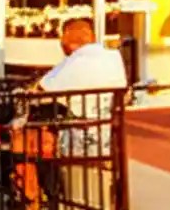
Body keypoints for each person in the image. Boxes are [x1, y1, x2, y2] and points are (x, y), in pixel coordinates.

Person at [25, 17, 128, 206]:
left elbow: (42, 91)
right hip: (108, 142)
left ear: (67, 38)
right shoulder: (112, 57)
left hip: (81, 146)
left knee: (78, 197)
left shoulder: (78, 61)